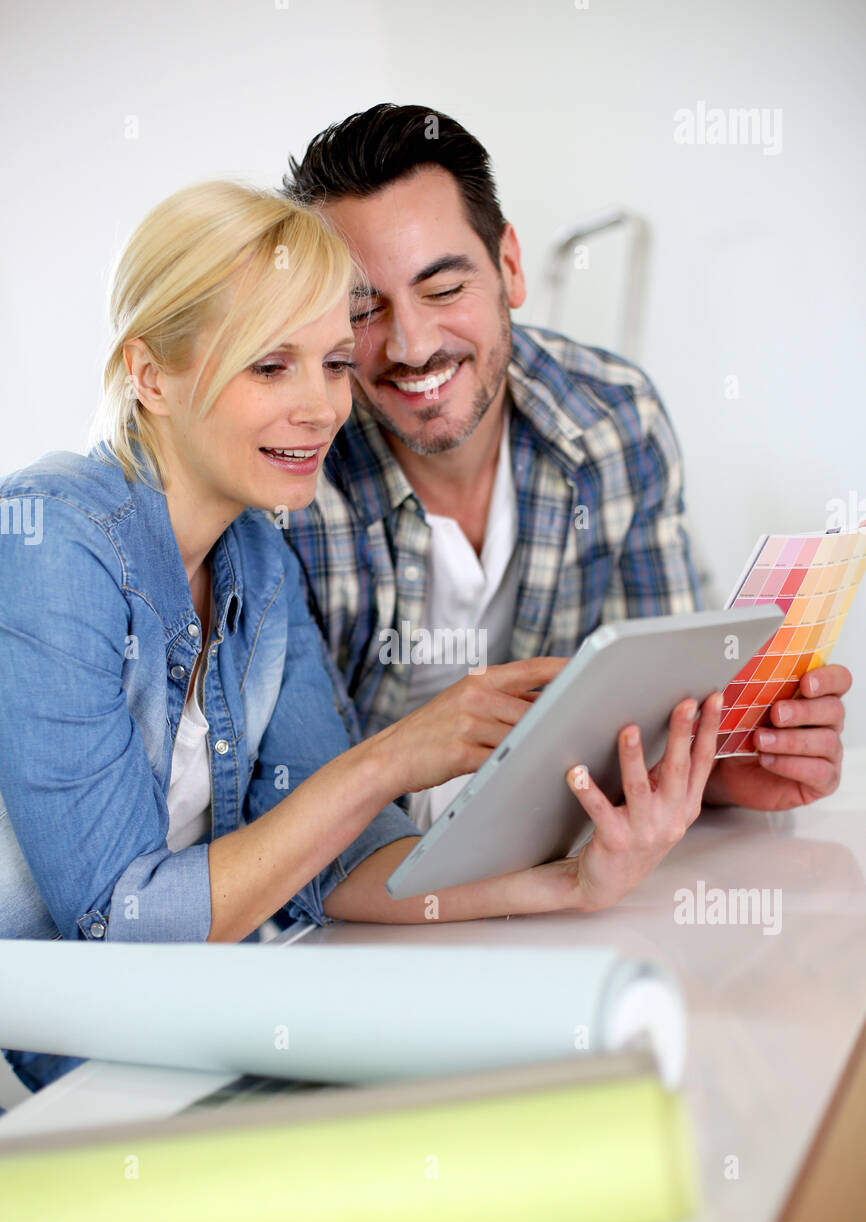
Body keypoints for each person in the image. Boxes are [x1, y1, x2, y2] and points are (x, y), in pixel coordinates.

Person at [0, 180, 724, 1092]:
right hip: (53, 1078)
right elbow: (119, 929)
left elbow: (342, 861)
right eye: (272, 368)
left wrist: (571, 883)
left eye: (336, 363)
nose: (322, 407)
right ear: (150, 375)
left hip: (184, 1029)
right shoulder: (49, 543)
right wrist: (386, 760)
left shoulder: (256, 556)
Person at [281, 104, 849, 830]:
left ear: (510, 268)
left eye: (445, 289)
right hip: (369, 895)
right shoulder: (294, 476)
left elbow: (667, 718)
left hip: (568, 861)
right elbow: (290, 804)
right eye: (363, 310)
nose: (413, 345)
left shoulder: (616, 421)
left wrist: (739, 770)